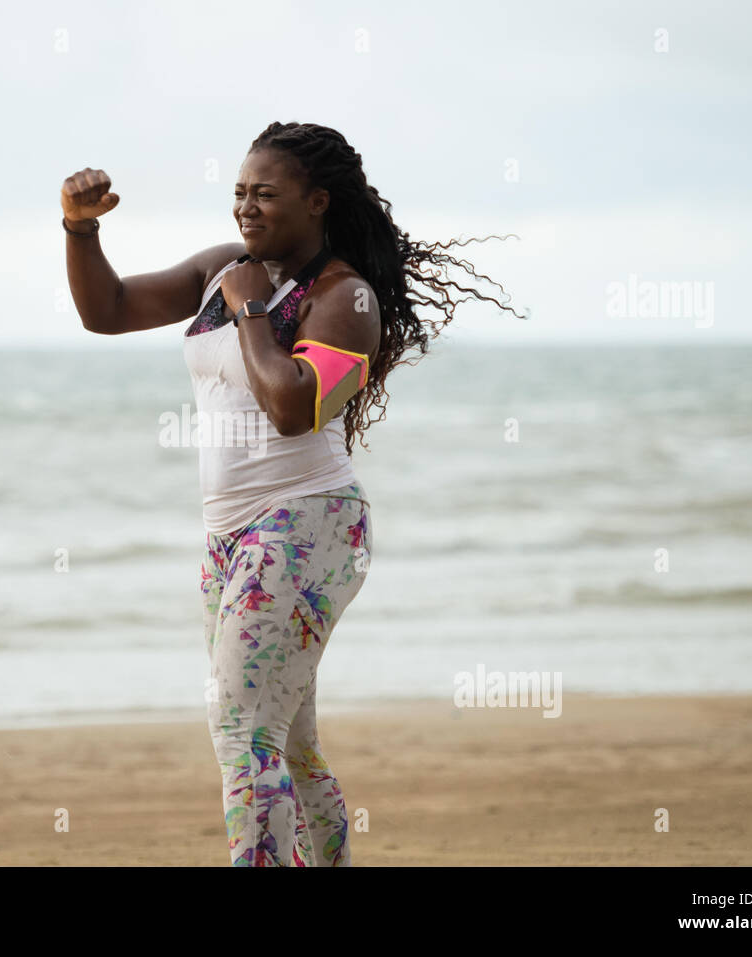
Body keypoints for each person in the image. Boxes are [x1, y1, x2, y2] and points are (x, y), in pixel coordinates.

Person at [61, 121, 524, 866]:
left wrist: (251, 313)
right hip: (228, 538)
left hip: (308, 525)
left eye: (265, 194)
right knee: (288, 741)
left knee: (242, 732)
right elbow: (106, 309)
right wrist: (79, 231)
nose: (246, 208)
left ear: (316, 201)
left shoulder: (347, 298)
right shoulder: (223, 270)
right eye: (239, 192)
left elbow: (294, 406)